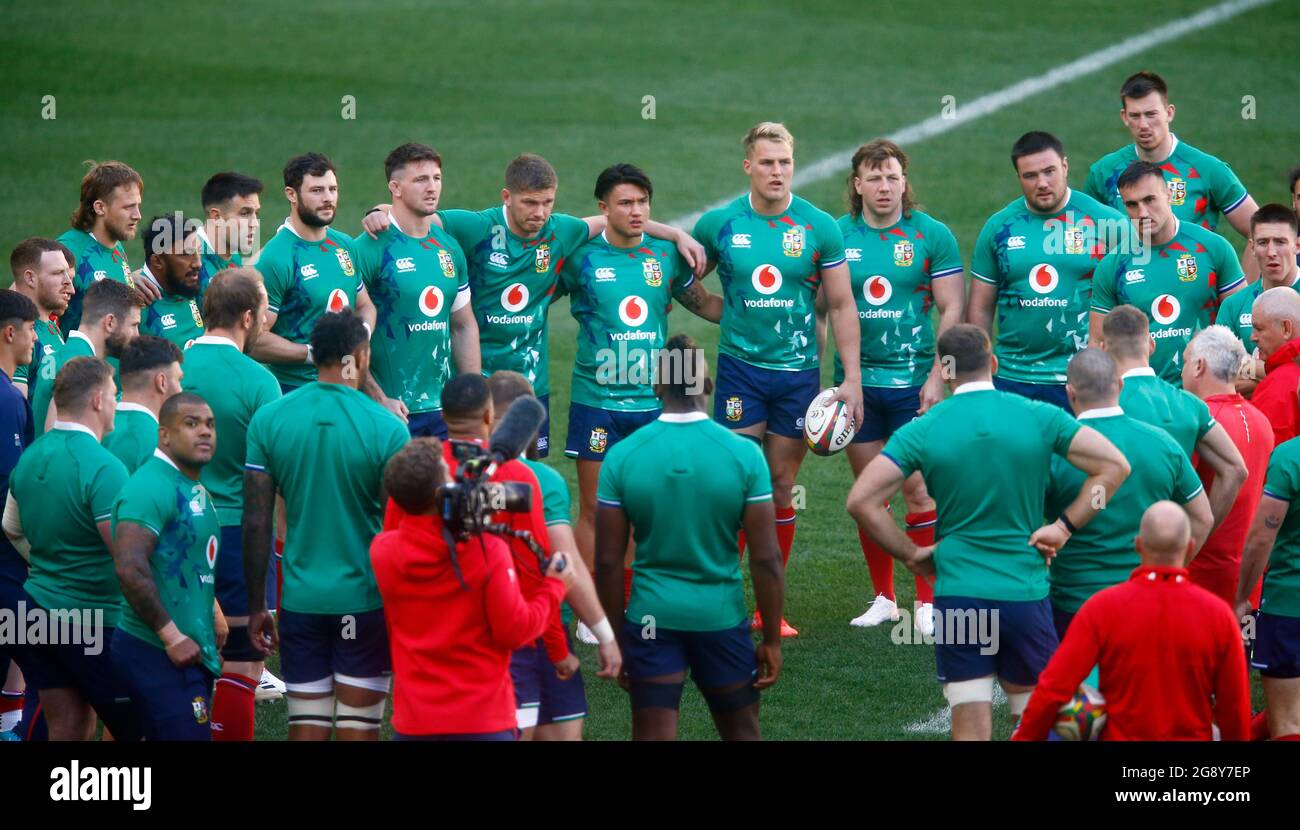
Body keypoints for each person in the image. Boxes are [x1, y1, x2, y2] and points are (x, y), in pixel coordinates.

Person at [848, 324, 1130, 741]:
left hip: (961, 594)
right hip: (1024, 593)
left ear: (945, 371)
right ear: (994, 363)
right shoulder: (1037, 415)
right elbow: (1115, 468)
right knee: (1036, 720)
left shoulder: (923, 428)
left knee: (970, 721)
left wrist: (912, 555)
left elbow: (861, 502)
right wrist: (1064, 526)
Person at [361, 153, 706, 457]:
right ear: (507, 198)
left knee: (528, 473)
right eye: (529, 203)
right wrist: (380, 210)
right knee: (476, 469)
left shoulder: (560, 231)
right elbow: (420, 217)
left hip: (531, 384)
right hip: (480, 380)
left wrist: (676, 234)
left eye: (547, 202)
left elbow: (611, 220)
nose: (539, 213)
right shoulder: (478, 226)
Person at [692, 121, 863, 637]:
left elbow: (840, 303)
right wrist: (726, 312)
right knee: (733, 484)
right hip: (741, 373)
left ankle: (770, 607)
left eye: (784, 162)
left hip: (797, 378)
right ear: (749, 166)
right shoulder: (719, 224)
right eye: (766, 162)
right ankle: (723, 597)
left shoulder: (817, 227)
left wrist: (850, 379)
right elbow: (682, 278)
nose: (777, 171)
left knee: (781, 486)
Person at [596, 334, 784, 740]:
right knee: (743, 733)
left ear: (657, 386)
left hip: (649, 622)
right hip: (720, 619)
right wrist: (771, 638)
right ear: (708, 384)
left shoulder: (623, 456)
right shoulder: (744, 455)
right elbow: (766, 559)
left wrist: (617, 638)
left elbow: (609, 563)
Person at [242, 308, 409, 741]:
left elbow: (257, 520)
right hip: (365, 602)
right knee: (359, 727)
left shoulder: (270, 420)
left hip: (300, 603)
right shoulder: (389, 430)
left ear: (314, 355)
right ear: (362, 355)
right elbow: (397, 532)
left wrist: (259, 604)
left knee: (307, 727)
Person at [432, 373, 615, 739]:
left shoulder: (429, 470)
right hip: (529, 630)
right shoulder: (535, 481)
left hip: (448, 638)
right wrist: (604, 634)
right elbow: (559, 565)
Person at [559, 162, 720, 575]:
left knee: (643, 506)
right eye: (625, 203)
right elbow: (535, 294)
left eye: (643, 202)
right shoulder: (580, 257)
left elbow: (703, 305)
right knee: (595, 507)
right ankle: (590, 604)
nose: (636, 211)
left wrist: (765, 307)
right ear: (603, 208)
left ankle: (628, 600)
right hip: (596, 400)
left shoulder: (666, 255)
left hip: (653, 405)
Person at [835, 139, 964, 633]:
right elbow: (825, 309)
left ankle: (928, 602)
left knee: (919, 491)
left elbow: (951, 308)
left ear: (904, 182)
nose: (884, 186)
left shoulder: (932, 236)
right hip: (857, 388)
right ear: (858, 184)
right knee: (871, 492)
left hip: (914, 383)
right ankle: (885, 597)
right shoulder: (837, 236)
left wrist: (939, 375)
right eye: (874, 177)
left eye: (892, 176)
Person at [371, 438, 574, 740]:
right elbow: (515, 631)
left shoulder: (382, 551)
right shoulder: (487, 550)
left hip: (416, 721)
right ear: (444, 492)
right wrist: (555, 587)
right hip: (483, 720)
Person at [1013, 501, 1251, 741]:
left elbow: (1054, 688)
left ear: (1138, 545)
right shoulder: (1219, 616)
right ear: (1189, 548)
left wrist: (1024, 737)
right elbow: (1234, 708)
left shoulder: (1102, 608)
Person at [3, 357, 139, 741]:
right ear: (97, 399)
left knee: (66, 726)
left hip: (34, 614)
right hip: (90, 620)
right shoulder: (104, 466)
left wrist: (48, 563)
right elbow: (127, 559)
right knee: (141, 726)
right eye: (114, 394)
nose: (117, 402)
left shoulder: (30, 457)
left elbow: (11, 528)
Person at [487, 369, 624, 739]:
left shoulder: (455, 474)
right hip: (538, 629)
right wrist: (605, 634)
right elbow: (568, 564)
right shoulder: (543, 481)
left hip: (480, 632)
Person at [181, 268, 284, 737]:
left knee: (187, 654)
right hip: (239, 537)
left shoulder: (172, 365)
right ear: (248, 317)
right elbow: (274, 476)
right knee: (242, 663)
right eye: (263, 311)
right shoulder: (260, 382)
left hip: (177, 529)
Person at [1046, 348, 1211, 639]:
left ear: (1070, 392)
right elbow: (1203, 517)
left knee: (1079, 683)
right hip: (1147, 597)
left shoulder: (1055, 453)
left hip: (1073, 603)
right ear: (1120, 385)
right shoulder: (1163, 443)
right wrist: (1170, 569)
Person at [966, 131, 1127, 410]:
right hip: (1010, 378)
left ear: (1065, 166)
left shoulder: (1108, 224)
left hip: (1082, 379)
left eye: (1049, 171)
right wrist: (978, 378)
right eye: (1030, 176)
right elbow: (980, 309)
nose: (1042, 183)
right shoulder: (999, 228)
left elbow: (1133, 301)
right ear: (1018, 177)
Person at [110, 392, 223, 740]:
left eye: (209, 424)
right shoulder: (150, 487)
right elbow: (129, 567)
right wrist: (171, 637)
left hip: (187, 648)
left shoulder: (192, 485)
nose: (204, 432)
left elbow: (188, 558)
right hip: (156, 650)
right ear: (165, 435)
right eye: (191, 424)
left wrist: (213, 613)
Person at [351, 143, 480, 438]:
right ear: (395, 188)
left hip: (444, 412)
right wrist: (378, 398)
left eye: (436, 178)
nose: (432, 187)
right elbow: (344, 336)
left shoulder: (448, 247)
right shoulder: (367, 249)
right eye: (421, 180)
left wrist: (472, 394)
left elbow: (463, 325)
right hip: (388, 411)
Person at [250, 153, 388, 413]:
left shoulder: (345, 245)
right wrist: (316, 354)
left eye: (332, 189)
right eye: (316, 190)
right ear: (291, 194)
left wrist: (360, 338)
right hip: (299, 394)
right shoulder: (276, 258)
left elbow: (365, 306)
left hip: (349, 389)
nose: (328, 198)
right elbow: (254, 340)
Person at [1089, 161, 1245, 384]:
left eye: (1149, 200)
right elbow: (1098, 343)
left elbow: (1242, 323)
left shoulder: (1213, 248)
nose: (1142, 213)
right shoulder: (1113, 265)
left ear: (1169, 194)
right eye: (1132, 205)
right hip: (1146, 397)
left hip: (1209, 391)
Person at [1084, 71, 1258, 269]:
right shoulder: (1104, 172)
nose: (1143, 125)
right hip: (1128, 294)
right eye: (1135, 116)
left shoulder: (1208, 169)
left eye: (1151, 114)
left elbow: (1260, 232)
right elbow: (1084, 238)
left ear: (1169, 112)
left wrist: (1245, 294)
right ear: (1124, 117)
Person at [1098, 306, 1247, 532]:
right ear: (1151, 344)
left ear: (1103, 350)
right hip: (1168, 548)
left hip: (1111, 544)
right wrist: (1193, 540)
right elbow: (1235, 469)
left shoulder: (1103, 407)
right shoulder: (1190, 405)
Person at [1181, 326, 1273, 606]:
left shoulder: (1199, 421)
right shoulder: (1261, 421)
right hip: (1246, 579)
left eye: (1184, 362)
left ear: (1199, 366)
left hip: (1199, 573)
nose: (1181, 371)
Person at [1239, 432, 1300, 741]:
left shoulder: (1291, 456)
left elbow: (1261, 537)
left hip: (1289, 604)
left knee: (1289, 722)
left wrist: (1240, 596)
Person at [30, 278, 144, 438]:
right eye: (134, 325)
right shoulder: (80, 369)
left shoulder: (62, 354)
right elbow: (62, 440)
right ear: (110, 322)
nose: (137, 336)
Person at [57, 160, 158, 336]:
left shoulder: (115, 245)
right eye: (128, 207)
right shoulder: (68, 251)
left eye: (138, 206)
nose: (137, 215)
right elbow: (24, 298)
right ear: (100, 207)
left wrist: (128, 281)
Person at [0, 291, 37, 739]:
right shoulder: (8, 399)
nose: (35, 340)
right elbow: (8, 488)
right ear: (11, 332)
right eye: (31, 331)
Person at [1213, 204, 1300, 392]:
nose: (1271, 252)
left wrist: (1252, 370)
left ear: (1297, 245)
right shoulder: (1234, 305)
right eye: (1263, 242)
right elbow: (1217, 373)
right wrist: (1280, 374)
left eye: (1280, 242)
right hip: (1249, 418)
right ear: (1252, 247)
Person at [102, 336, 182, 473]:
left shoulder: (100, 427)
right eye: (179, 380)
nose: (181, 390)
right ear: (162, 382)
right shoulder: (160, 442)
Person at [8, 238, 73, 398]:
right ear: (30, 278)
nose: (70, 285)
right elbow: (17, 409)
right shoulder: (15, 333)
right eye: (58, 273)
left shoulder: (52, 328)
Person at [139, 213, 205, 350]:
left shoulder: (183, 285)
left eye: (199, 252)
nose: (198, 264)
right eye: (186, 254)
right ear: (157, 261)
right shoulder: (135, 302)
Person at [197, 172, 263, 298]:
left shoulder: (234, 258)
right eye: (244, 213)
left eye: (256, 214)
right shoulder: (186, 263)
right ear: (216, 217)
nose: (254, 223)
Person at [1248, 287, 1300, 445]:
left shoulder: (1279, 384)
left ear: (1286, 328)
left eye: (1258, 328)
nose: (1252, 337)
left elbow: (1266, 454)